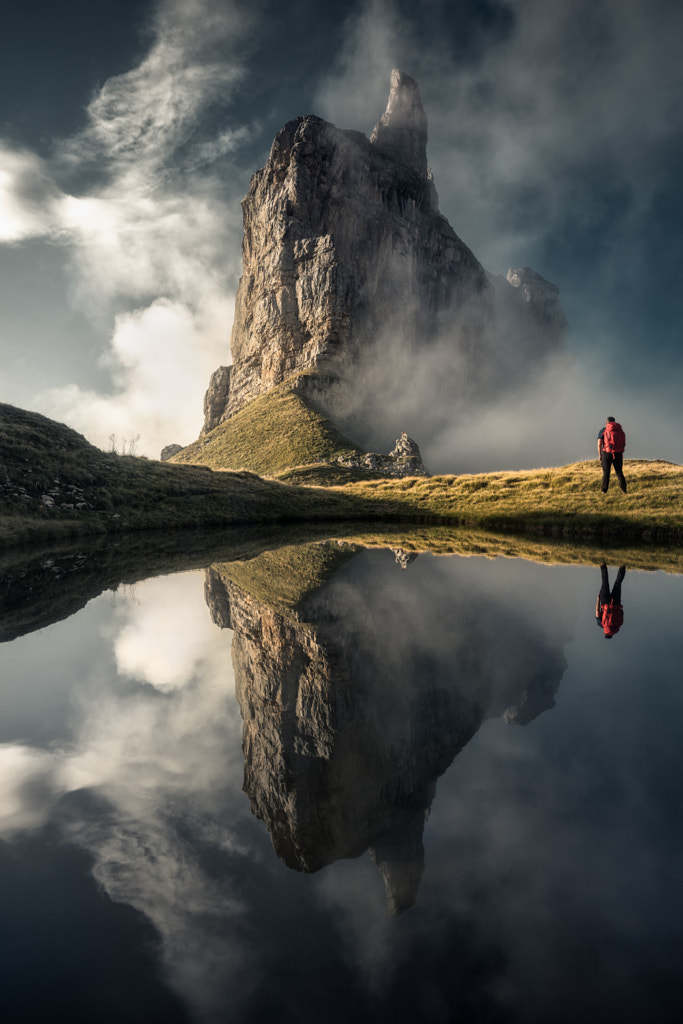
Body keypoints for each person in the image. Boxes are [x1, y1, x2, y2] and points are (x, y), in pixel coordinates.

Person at [597, 416, 627, 493]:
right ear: (614, 422)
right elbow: (623, 443)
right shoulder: (620, 430)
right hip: (618, 453)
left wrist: (600, 455)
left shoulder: (603, 430)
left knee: (606, 472)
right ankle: (623, 489)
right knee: (619, 471)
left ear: (606, 422)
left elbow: (599, 444)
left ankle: (604, 490)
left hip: (607, 453)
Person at [595, 564, 626, 638]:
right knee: (605, 583)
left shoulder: (618, 626)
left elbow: (622, 613)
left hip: (616, 603)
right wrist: (598, 599)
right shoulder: (601, 625)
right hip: (604, 603)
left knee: (618, 584)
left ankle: (622, 566)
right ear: (605, 633)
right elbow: (597, 611)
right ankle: (603, 565)